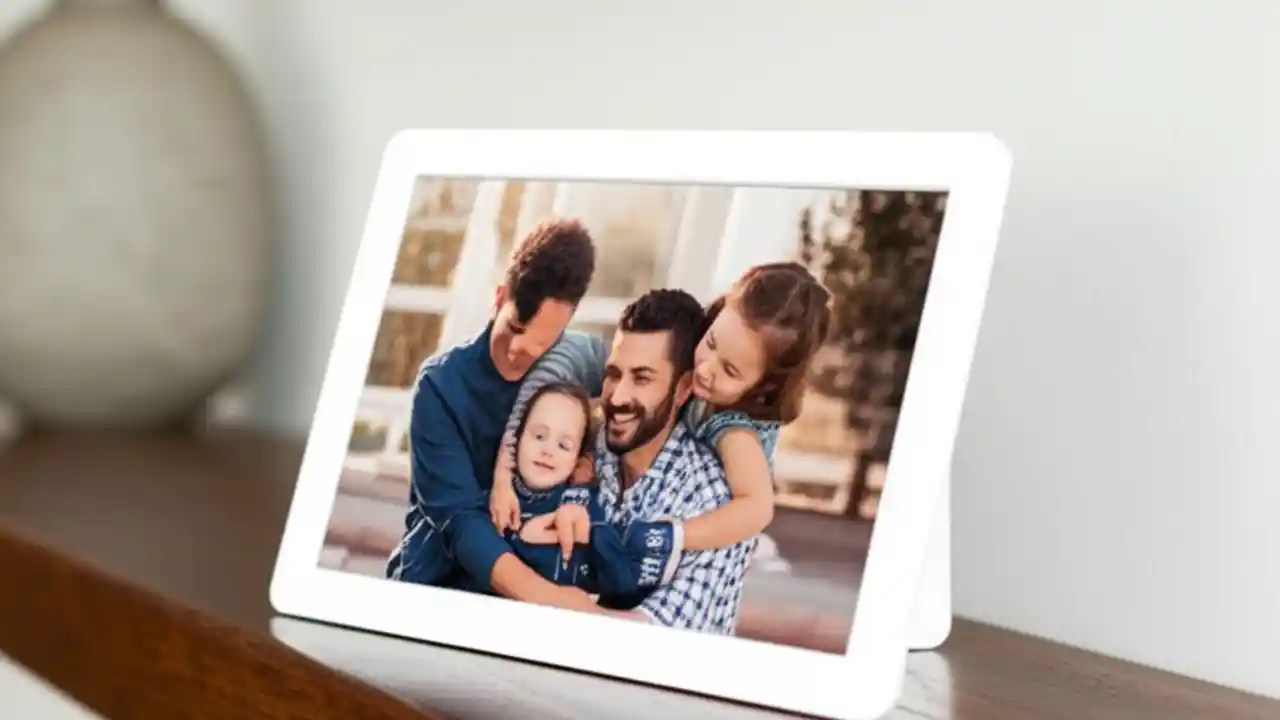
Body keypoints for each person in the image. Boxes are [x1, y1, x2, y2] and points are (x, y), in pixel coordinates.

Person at [492, 262, 832, 565]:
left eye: (729, 370)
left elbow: (756, 508)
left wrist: (673, 536)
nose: (706, 370)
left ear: (762, 387)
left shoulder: (735, 432)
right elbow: (569, 358)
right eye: (711, 344)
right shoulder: (695, 357)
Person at [494, 288, 757, 632]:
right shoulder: (580, 443)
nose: (617, 397)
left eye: (642, 378)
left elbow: (654, 642)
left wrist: (550, 599)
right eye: (614, 374)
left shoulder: (713, 501)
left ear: (683, 388)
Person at [384, 217, 603, 612]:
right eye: (515, 328)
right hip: (437, 586)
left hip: (526, 592)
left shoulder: (573, 360)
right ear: (500, 297)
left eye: (544, 342)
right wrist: (552, 599)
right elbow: (460, 522)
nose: (522, 351)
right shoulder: (441, 385)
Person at [498, 381, 683, 598]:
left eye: (563, 446)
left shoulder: (583, 507)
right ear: (517, 439)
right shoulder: (490, 504)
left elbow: (624, 585)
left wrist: (592, 534)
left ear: (579, 460)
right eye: (539, 436)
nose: (547, 450)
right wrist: (523, 540)